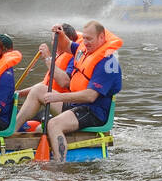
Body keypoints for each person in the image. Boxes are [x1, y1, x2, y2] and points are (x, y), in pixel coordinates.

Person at [28, 21, 122, 163]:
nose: (85, 42)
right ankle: (12, 132)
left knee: (53, 124)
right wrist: (60, 34)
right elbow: (66, 45)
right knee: (39, 90)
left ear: (102, 37)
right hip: (76, 105)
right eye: (84, 38)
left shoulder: (108, 63)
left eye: (89, 39)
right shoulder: (84, 50)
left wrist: (58, 97)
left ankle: (60, 166)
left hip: (94, 111)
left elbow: (90, 96)